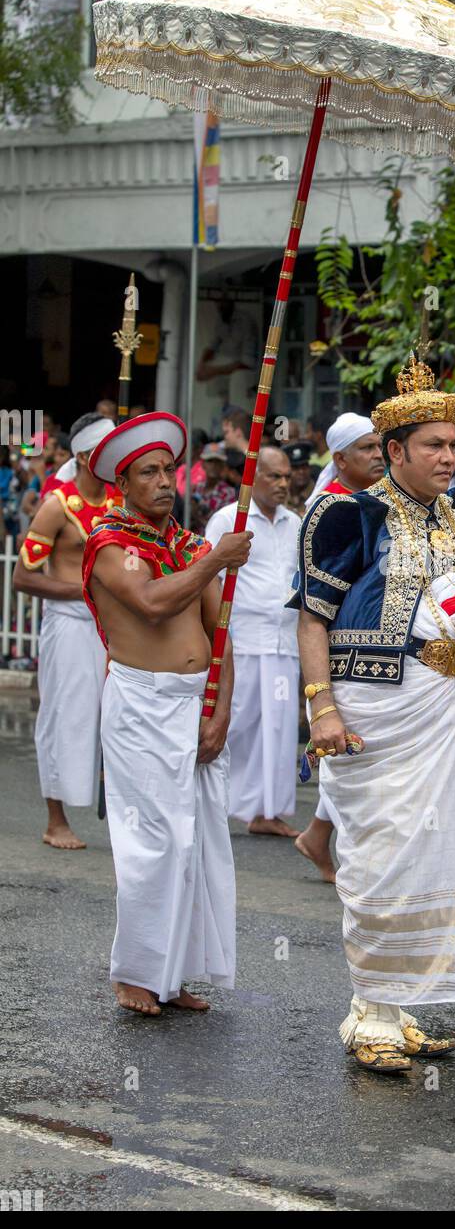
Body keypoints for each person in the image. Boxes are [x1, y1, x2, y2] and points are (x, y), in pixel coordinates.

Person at [292, 352, 455, 1074]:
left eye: (452, 445)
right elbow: (312, 621)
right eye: (432, 444)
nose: (447, 456)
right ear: (393, 451)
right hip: (382, 706)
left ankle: (394, 1009)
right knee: (386, 850)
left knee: (441, 850)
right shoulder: (348, 516)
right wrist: (321, 710)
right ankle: (367, 1011)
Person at [82, 412, 252, 1016]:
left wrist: (221, 712)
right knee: (153, 841)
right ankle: (133, 972)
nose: (163, 482)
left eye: (169, 470)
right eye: (148, 473)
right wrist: (216, 560)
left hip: (195, 707)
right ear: (121, 484)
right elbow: (153, 604)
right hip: (141, 706)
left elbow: (220, 635)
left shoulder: (185, 543)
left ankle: (173, 972)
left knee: (197, 842)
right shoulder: (109, 546)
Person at [11, 414, 118, 850]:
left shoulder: (119, 501)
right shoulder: (57, 505)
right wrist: (80, 592)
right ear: (84, 456)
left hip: (113, 627)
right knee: (64, 717)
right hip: (70, 626)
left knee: (116, 720)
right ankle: (55, 820)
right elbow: (22, 577)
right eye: (106, 451)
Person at [293, 414, 386, 881]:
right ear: (340, 458)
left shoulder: (375, 502)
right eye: (366, 448)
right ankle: (334, 846)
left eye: (379, 446)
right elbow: (317, 604)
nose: (377, 455)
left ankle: (318, 837)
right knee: (346, 751)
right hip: (335, 646)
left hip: (368, 645)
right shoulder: (330, 509)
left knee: (358, 752)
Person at [206, 446, 303, 839]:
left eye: (286, 477)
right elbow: (208, 576)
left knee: (279, 730)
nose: (283, 484)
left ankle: (268, 810)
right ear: (253, 477)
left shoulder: (295, 522)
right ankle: (214, 802)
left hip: (283, 643)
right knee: (237, 726)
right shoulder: (228, 520)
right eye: (274, 477)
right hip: (242, 642)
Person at [305, 412, 384, 505]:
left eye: (380, 446)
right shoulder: (330, 506)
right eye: (368, 447)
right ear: (340, 459)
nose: (379, 455)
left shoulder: (390, 494)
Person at [196, 297, 259, 407]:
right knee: (212, 399)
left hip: (242, 376)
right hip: (223, 373)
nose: (219, 308)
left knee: (236, 394)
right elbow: (214, 343)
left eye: (222, 305)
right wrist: (202, 363)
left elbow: (248, 363)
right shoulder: (222, 319)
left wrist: (213, 371)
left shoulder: (245, 322)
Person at [285, 441, 316, 515]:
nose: (301, 472)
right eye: (295, 468)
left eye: (304, 467)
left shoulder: (317, 494)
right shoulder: (281, 494)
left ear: (310, 468)